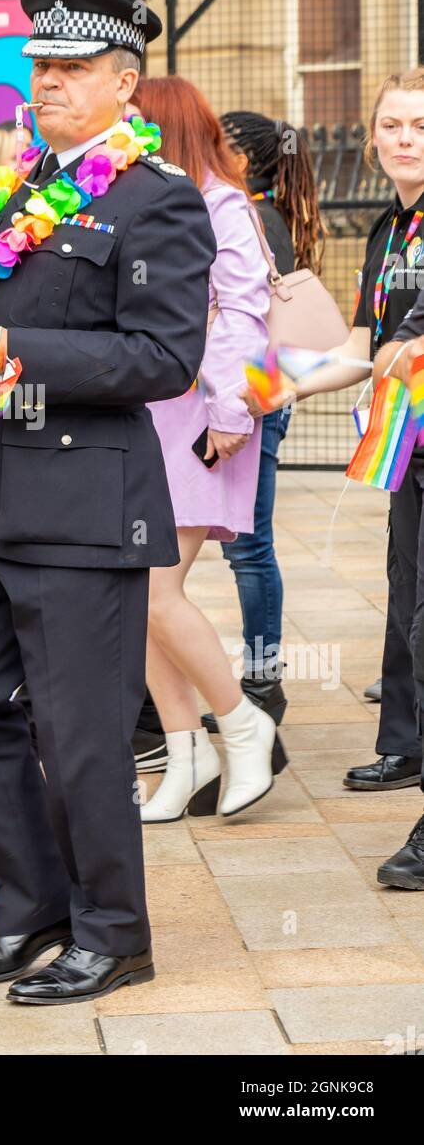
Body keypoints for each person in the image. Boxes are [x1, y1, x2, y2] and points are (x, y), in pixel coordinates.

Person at [0, 0, 216, 1004]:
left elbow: (162, 357)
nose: (46, 85)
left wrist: (14, 346)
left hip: (80, 505)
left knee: (78, 736)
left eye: (70, 70)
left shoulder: (154, 196)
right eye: (38, 68)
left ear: (124, 84)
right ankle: (29, 909)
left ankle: (113, 930)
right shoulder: (24, 193)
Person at [249, 70, 424, 887]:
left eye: (418, 124)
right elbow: (364, 345)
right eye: (390, 124)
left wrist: (389, 355)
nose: (401, 138)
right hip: (409, 446)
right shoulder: (391, 232)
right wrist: (277, 384)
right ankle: (408, 744)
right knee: (406, 598)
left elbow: (405, 350)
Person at [128, 77, 278, 825]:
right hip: (148, 415)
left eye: (137, 123)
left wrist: (227, 408)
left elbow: (242, 314)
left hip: (200, 417)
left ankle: (243, 725)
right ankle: (185, 759)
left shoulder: (220, 203)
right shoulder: (156, 199)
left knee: (157, 587)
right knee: (135, 594)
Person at [205, 110, 328, 730]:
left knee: (250, 549)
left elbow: (257, 331)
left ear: (243, 161)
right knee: (245, 547)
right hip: (260, 400)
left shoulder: (253, 218)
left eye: (214, 145)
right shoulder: (262, 216)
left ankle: (263, 683)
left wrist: (250, 407)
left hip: (256, 403)